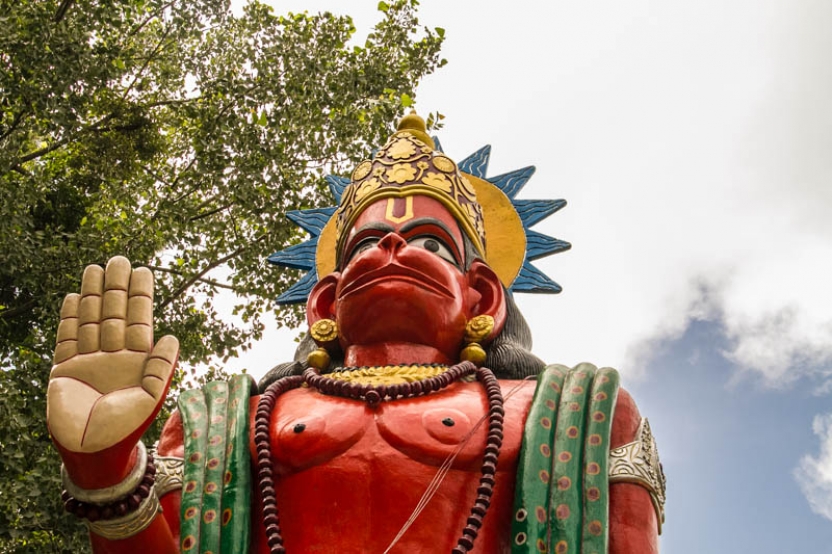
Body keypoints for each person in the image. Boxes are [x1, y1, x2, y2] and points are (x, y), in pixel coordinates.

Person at [47, 113, 665, 553]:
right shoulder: (232, 422)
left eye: (431, 243)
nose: (393, 244)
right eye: (367, 243)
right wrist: (106, 471)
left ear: (481, 294)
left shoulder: (571, 415)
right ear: (325, 300)